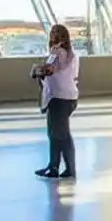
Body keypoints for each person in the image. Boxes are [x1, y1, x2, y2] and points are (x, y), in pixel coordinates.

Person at [33, 24, 80, 179]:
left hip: (60, 98)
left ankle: (68, 168)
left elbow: (50, 70)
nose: (54, 36)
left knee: (61, 134)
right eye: (53, 33)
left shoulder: (58, 53)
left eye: (57, 33)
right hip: (66, 96)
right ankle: (53, 166)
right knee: (55, 134)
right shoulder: (72, 54)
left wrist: (36, 70)